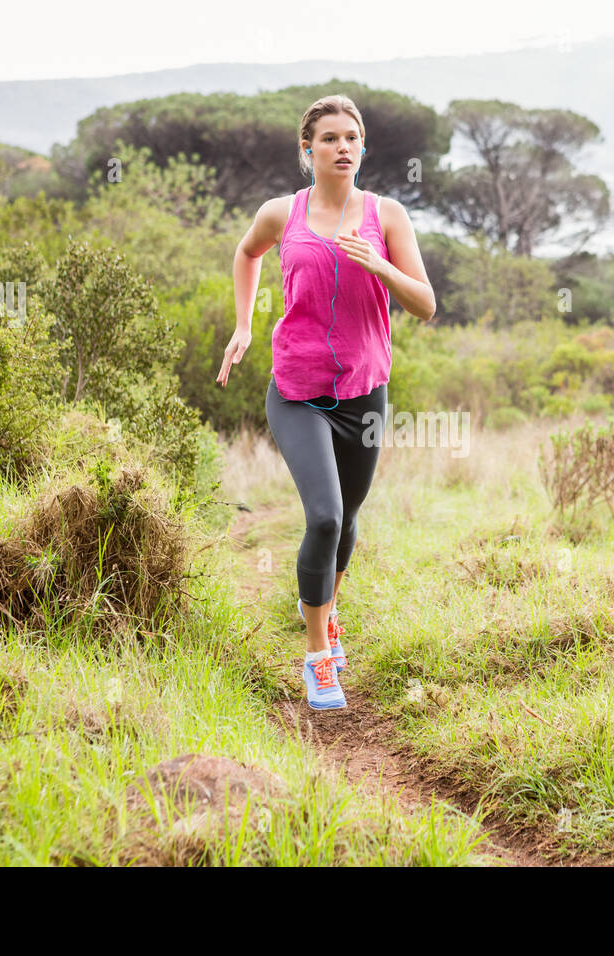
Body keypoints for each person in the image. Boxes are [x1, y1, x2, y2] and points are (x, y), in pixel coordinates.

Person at [217, 94, 436, 710]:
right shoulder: (280, 214)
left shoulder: (386, 217)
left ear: (363, 149)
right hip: (297, 390)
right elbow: (246, 253)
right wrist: (243, 326)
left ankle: (325, 609)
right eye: (330, 138)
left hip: (365, 393)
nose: (343, 147)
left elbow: (426, 304)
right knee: (324, 517)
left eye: (353, 137)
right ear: (307, 150)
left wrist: (382, 268)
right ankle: (318, 656)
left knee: (350, 520)